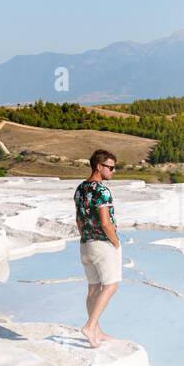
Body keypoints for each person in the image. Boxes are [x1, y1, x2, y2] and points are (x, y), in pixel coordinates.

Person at [74, 149, 121, 348]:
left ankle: (97, 331)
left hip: (85, 244)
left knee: (93, 288)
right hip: (102, 244)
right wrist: (116, 242)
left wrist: (85, 237)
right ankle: (90, 325)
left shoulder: (80, 188)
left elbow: (78, 219)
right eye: (110, 167)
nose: (113, 171)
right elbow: (105, 223)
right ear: (98, 167)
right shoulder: (102, 191)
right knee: (111, 285)